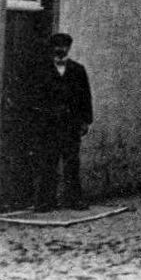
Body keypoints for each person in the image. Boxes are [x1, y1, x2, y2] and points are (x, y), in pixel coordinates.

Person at [30, 32, 92, 211]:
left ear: (69, 48)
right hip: (49, 124)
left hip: (71, 124)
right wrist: (40, 119)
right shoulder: (42, 70)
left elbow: (85, 96)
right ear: (52, 48)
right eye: (57, 46)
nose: (60, 49)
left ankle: (74, 200)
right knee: (48, 162)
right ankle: (45, 201)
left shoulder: (78, 70)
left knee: (72, 162)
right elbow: (35, 97)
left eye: (64, 46)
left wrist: (86, 120)